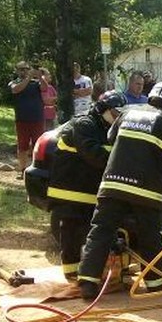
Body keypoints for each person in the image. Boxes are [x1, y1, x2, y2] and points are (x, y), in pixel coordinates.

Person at [75, 82, 162, 301]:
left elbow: (111, 138)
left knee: (101, 229)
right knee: (150, 234)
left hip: (112, 183)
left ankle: (88, 284)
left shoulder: (127, 112)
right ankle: (154, 283)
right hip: (145, 188)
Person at [48, 91, 124, 282]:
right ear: (102, 109)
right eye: (115, 113)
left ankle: (93, 273)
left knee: (94, 234)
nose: (117, 118)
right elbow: (93, 154)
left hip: (89, 192)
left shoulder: (107, 128)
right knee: (71, 233)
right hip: (69, 192)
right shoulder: (85, 125)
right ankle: (72, 274)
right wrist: (123, 162)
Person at [9, 61, 46, 173]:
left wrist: (40, 76)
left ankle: (37, 168)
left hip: (37, 119)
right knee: (22, 146)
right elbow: (16, 89)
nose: (24, 71)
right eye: (21, 69)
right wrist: (28, 78)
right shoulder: (14, 82)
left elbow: (44, 88)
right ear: (17, 71)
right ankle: (22, 169)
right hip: (22, 119)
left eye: (26, 69)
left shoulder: (36, 83)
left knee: (38, 145)